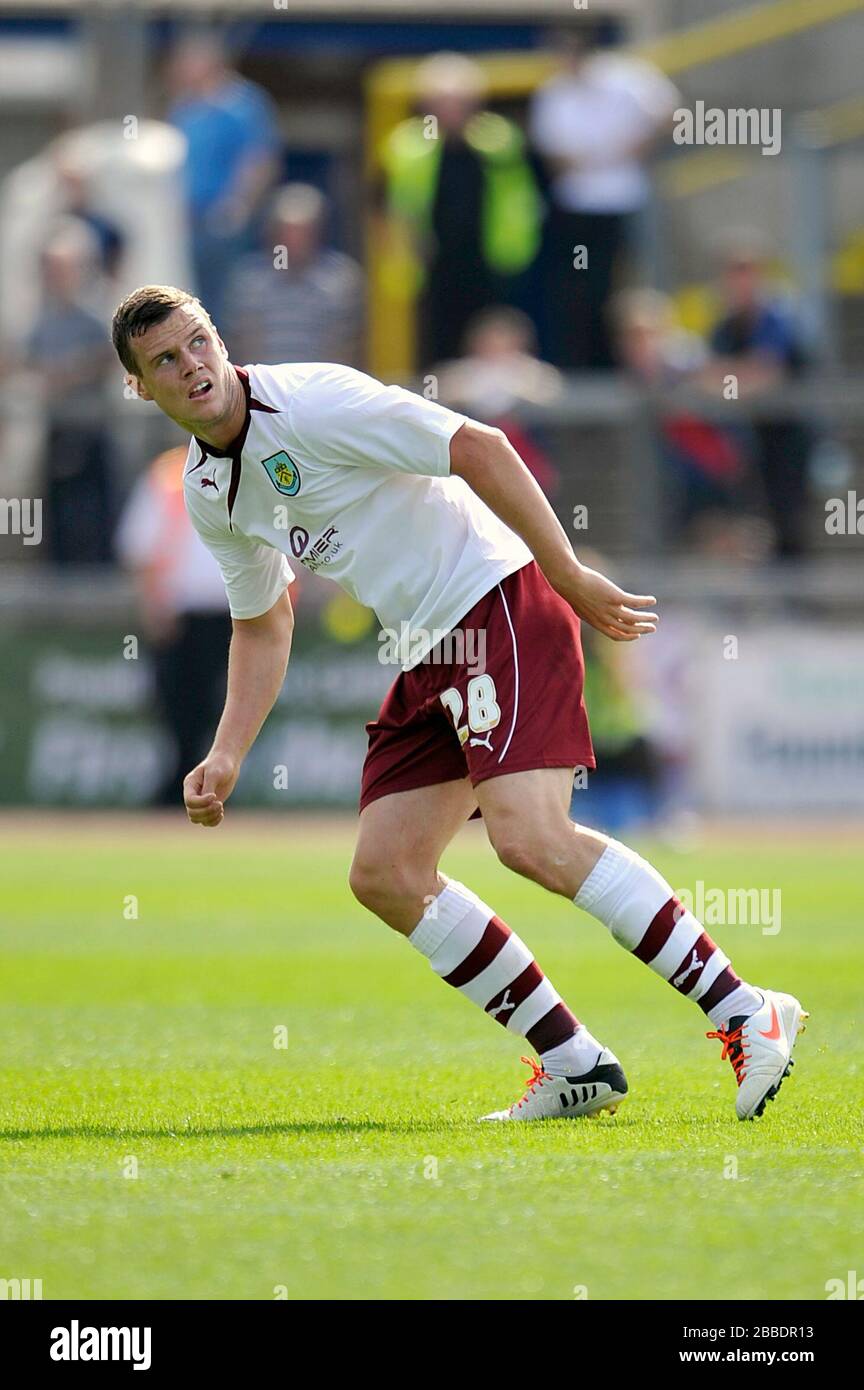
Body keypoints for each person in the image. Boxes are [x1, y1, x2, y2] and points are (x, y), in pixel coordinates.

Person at [110, 283, 807, 1123]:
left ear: (219, 338)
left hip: (495, 598)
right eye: (165, 362)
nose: (193, 367)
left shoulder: (314, 401)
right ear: (140, 389)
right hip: (423, 645)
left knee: (531, 838)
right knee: (386, 874)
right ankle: (574, 1064)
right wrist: (225, 753)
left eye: (198, 343)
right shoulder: (207, 490)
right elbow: (263, 623)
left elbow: (477, 445)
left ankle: (744, 1008)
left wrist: (566, 571)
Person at [529, 32, 679, 370]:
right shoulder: (554, 92)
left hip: (622, 205)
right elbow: (553, 155)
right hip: (577, 210)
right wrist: (601, 157)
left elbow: (668, 114)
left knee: (626, 291)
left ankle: (624, 365)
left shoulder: (628, 77)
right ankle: (584, 366)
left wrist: (631, 149)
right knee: (580, 292)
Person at [381, 52, 543, 366]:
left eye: (460, 101)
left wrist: (517, 251)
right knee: (436, 349)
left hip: (492, 265)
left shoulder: (501, 141)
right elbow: (389, 207)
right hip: (431, 268)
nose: (451, 110)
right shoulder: (407, 146)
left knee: (495, 342)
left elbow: (523, 198)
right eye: (442, 101)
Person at [115, 445, 232, 807]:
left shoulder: (246, 467)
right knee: (177, 703)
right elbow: (140, 547)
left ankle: (216, 780)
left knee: (222, 704)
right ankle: (182, 781)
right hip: (181, 614)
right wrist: (154, 605)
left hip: (233, 614)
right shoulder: (166, 476)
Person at [700, 232, 815, 558]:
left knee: (789, 523)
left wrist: (732, 381)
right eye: (734, 273)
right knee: (745, 520)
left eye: (747, 272)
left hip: (790, 441)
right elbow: (710, 378)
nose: (741, 282)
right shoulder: (725, 326)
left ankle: (796, 601)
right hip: (747, 442)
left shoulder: (777, 318)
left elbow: (766, 374)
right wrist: (736, 380)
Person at [165, 34, 281, 324]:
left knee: (228, 299)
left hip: (225, 222)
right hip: (189, 222)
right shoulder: (185, 107)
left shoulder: (242, 104)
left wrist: (239, 205)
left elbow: (259, 157)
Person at [221, 183, 364, 369]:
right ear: (272, 234)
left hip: (322, 385)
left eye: (302, 234)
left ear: (317, 235)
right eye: (287, 233)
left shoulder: (341, 280)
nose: (293, 242)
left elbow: (346, 347)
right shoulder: (249, 281)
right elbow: (241, 343)